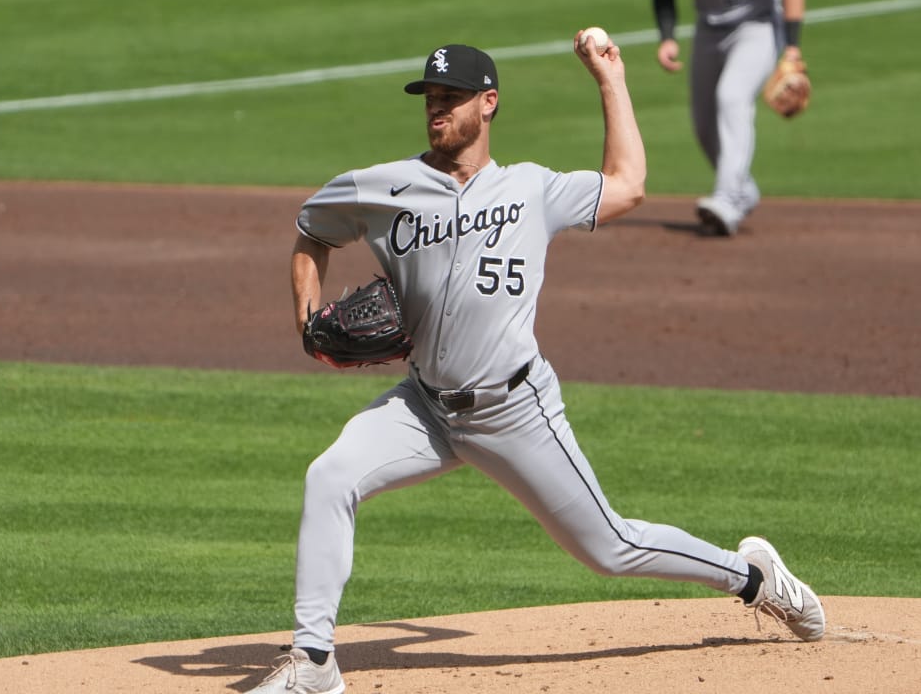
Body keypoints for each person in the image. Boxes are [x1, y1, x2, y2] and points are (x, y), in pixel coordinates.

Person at [247, 37, 825, 694]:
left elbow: (629, 185)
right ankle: (315, 662)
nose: (437, 110)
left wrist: (610, 78)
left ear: (488, 104)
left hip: (516, 410)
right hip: (426, 407)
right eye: (430, 99)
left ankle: (754, 576)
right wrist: (306, 323)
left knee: (611, 548)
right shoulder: (381, 188)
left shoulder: (532, 189)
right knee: (330, 477)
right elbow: (312, 232)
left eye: (451, 99)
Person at [650, 0, 807, 237]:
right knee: (704, 126)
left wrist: (792, 47)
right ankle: (742, 188)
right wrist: (667, 38)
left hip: (757, 27)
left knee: (732, 97)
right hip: (708, 30)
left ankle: (727, 199)